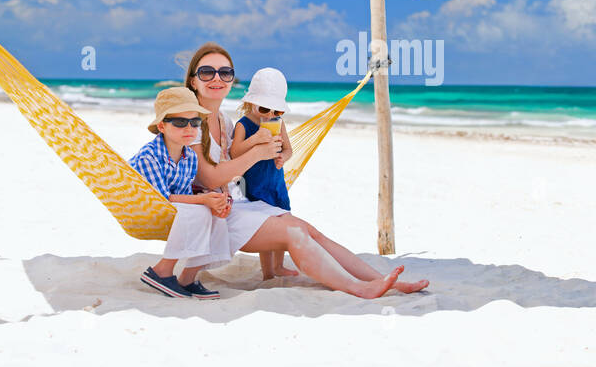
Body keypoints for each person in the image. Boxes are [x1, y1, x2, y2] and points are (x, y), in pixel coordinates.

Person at [183, 42, 429, 298]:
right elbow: (209, 177)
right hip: (213, 212)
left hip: (235, 201)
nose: (217, 78)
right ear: (193, 80)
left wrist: (270, 157)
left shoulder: (225, 121)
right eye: (206, 72)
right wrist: (257, 153)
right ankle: (358, 288)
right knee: (295, 234)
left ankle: (384, 281)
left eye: (225, 73)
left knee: (310, 231)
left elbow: (234, 169)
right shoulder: (189, 121)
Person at [128, 86, 230, 300]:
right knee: (200, 211)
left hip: (171, 206)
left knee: (216, 214)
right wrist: (203, 199)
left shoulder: (190, 157)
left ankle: (188, 277)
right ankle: (161, 271)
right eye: (180, 122)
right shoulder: (149, 156)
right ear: (162, 126)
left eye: (195, 122)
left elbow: (184, 195)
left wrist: (214, 200)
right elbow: (161, 198)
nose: (189, 128)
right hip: (145, 207)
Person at [229, 67, 295, 280]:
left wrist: (282, 158)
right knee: (266, 227)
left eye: (278, 111)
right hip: (254, 184)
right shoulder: (244, 125)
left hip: (275, 182)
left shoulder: (278, 123)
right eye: (265, 109)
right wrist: (255, 139)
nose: (271, 115)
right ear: (251, 103)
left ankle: (279, 265)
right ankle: (268, 272)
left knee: (284, 221)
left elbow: (288, 149)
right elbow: (234, 152)